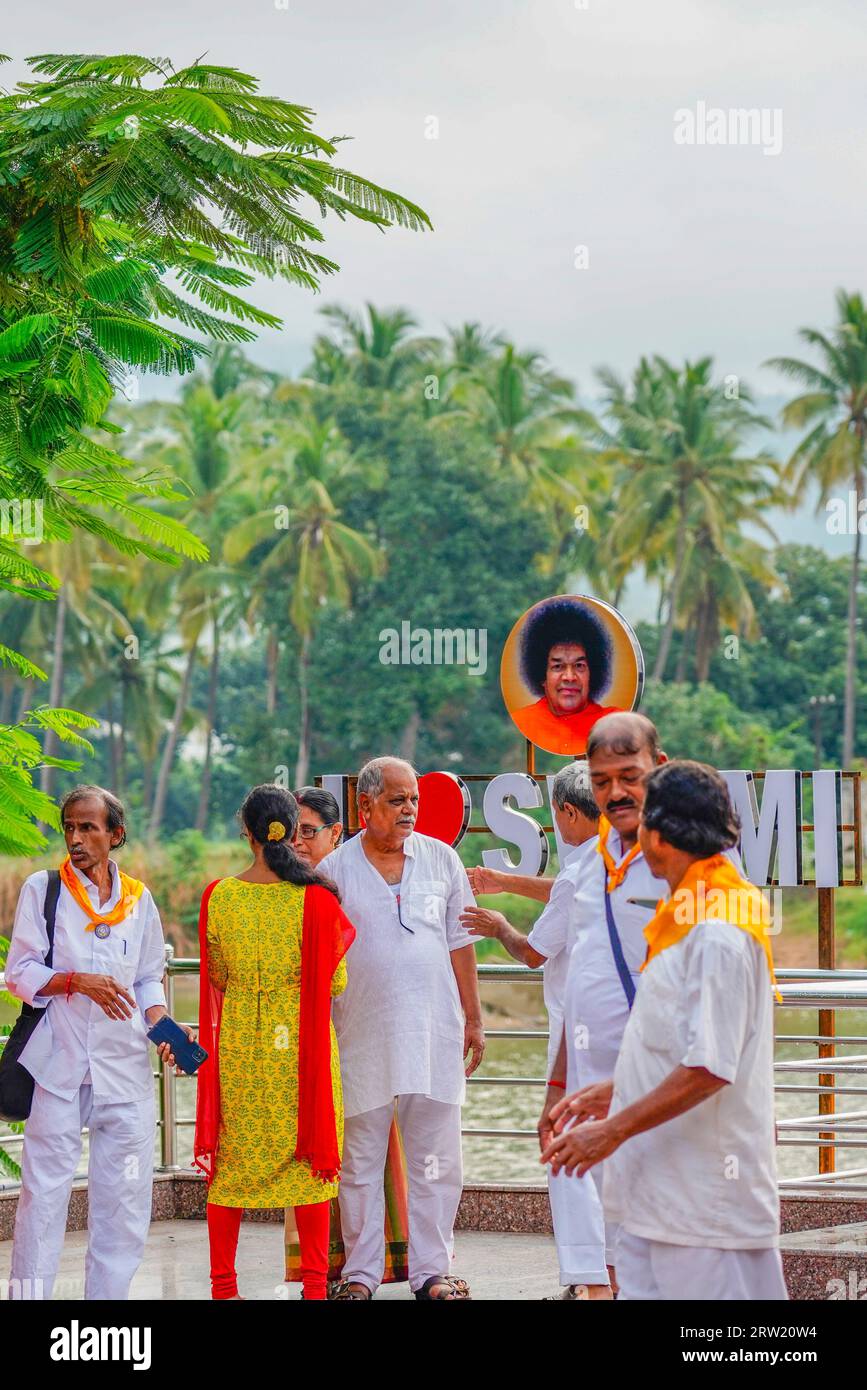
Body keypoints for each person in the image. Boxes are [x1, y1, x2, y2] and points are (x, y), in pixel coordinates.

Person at [541, 760, 788, 1302]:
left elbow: (709, 1067)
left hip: (705, 1205)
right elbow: (679, 1045)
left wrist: (611, 1130)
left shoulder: (718, 927)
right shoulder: (683, 915)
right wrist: (615, 1089)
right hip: (663, 1201)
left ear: (656, 835)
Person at [5, 785, 183, 1301]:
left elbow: (150, 976)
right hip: (57, 1069)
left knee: (124, 1201)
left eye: (88, 827)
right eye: (69, 827)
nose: (76, 838)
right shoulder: (44, 890)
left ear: (116, 835)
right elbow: (19, 973)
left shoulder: (138, 900)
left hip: (125, 1073)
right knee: (42, 1198)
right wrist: (76, 981)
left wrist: (164, 1024)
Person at [320, 756, 484, 1301]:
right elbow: (322, 958)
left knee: (438, 1159)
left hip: (435, 1030)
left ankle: (433, 1272)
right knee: (360, 1160)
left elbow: (461, 944)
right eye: (397, 799)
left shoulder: (442, 860)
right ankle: (361, 1276)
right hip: (359, 1035)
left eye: (413, 798)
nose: (409, 808)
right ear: (365, 806)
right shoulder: (335, 872)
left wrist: (476, 1020)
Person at [194, 784, 356, 1301]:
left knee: (231, 1165)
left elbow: (216, 974)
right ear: (293, 830)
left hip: (242, 1049)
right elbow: (335, 983)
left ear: (248, 832)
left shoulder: (219, 896)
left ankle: (225, 1288)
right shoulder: (318, 899)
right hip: (301, 1052)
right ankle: (313, 1288)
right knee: (309, 1163)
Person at [460, 761, 610, 1300]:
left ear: (569, 812)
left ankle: (591, 1282)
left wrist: (499, 925)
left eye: (555, 815)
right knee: (614, 1152)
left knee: (565, 1148)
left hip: (580, 1036)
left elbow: (533, 952)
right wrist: (505, 882)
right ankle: (613, 1276)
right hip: (625, 1033)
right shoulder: (621, 858)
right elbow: (566, 892)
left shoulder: (582, 870)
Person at [545, 712, 670, 1288]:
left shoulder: (690, 867)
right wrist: (556, 1085)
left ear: (659, 769)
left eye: (629, 775)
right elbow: (582, 979)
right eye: (602, 781)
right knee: (618, 1239)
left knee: (671, 1242)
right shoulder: (590, 866)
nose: (615, 792)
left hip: (670, 1088)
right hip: (591, 1087)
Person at [285, 785, 409, 1289]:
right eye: (286, 832)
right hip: (304, 1043)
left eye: (308, 832)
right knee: (315, 1157)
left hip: (355, 1040)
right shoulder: (282, 892)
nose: (296, 843)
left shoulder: (342, 883)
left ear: (337, 834)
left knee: (366, 1157)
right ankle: (325, 1270)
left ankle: (371, 1267)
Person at [512, 597, 622, 754]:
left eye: (579, 666)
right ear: (542, 676)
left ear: (593, 673)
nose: (569, 677)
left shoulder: (615, 723)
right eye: (558, 666)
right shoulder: (522, 722)